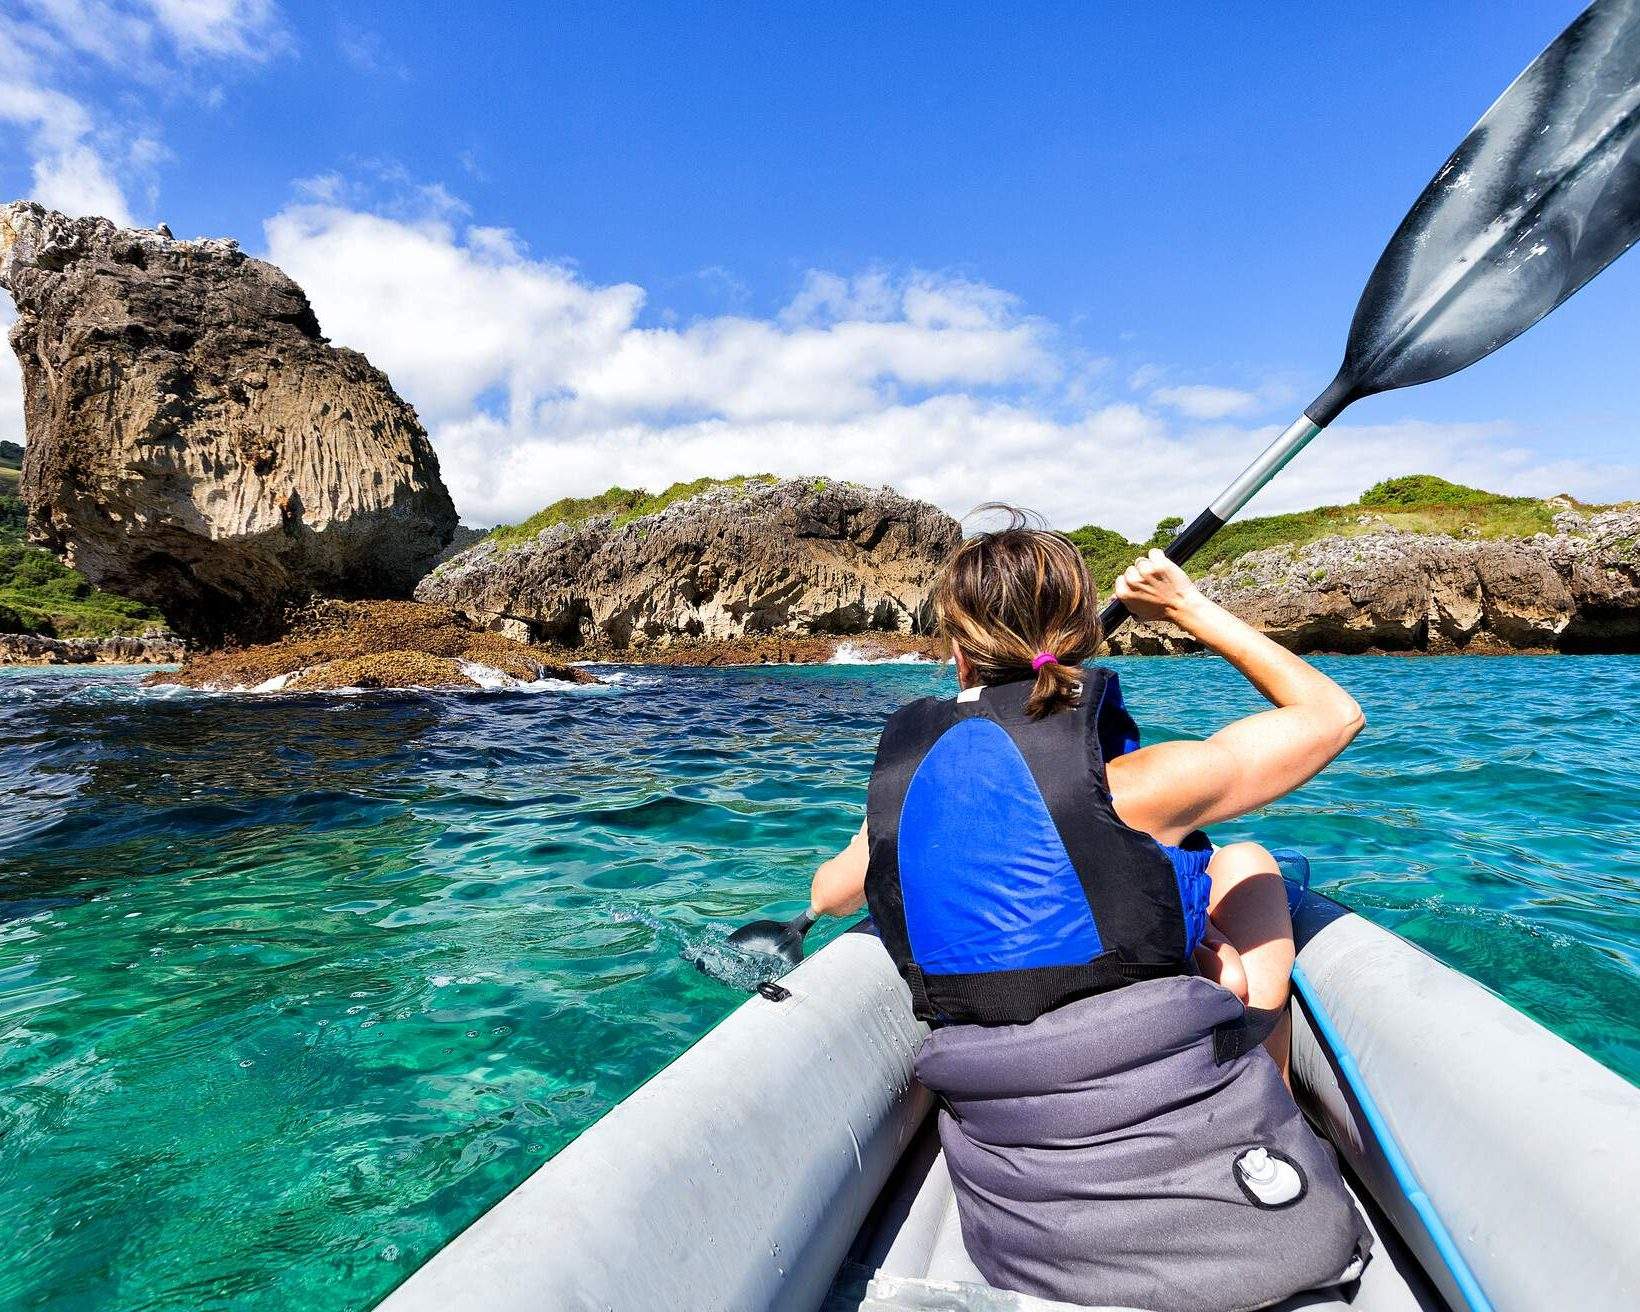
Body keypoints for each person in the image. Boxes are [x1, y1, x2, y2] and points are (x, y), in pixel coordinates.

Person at [806, 511, 1372, 1312]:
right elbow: (1332, 716)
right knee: (1248, 865)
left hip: (1024, 1245)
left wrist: (883, 823)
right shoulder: (1141, 787)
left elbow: (829, 893)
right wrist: (1189, 610)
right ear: (1081, 637)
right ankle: (1270, 1092)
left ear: (957, 650)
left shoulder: (906, 801)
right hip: (1252, 1235)